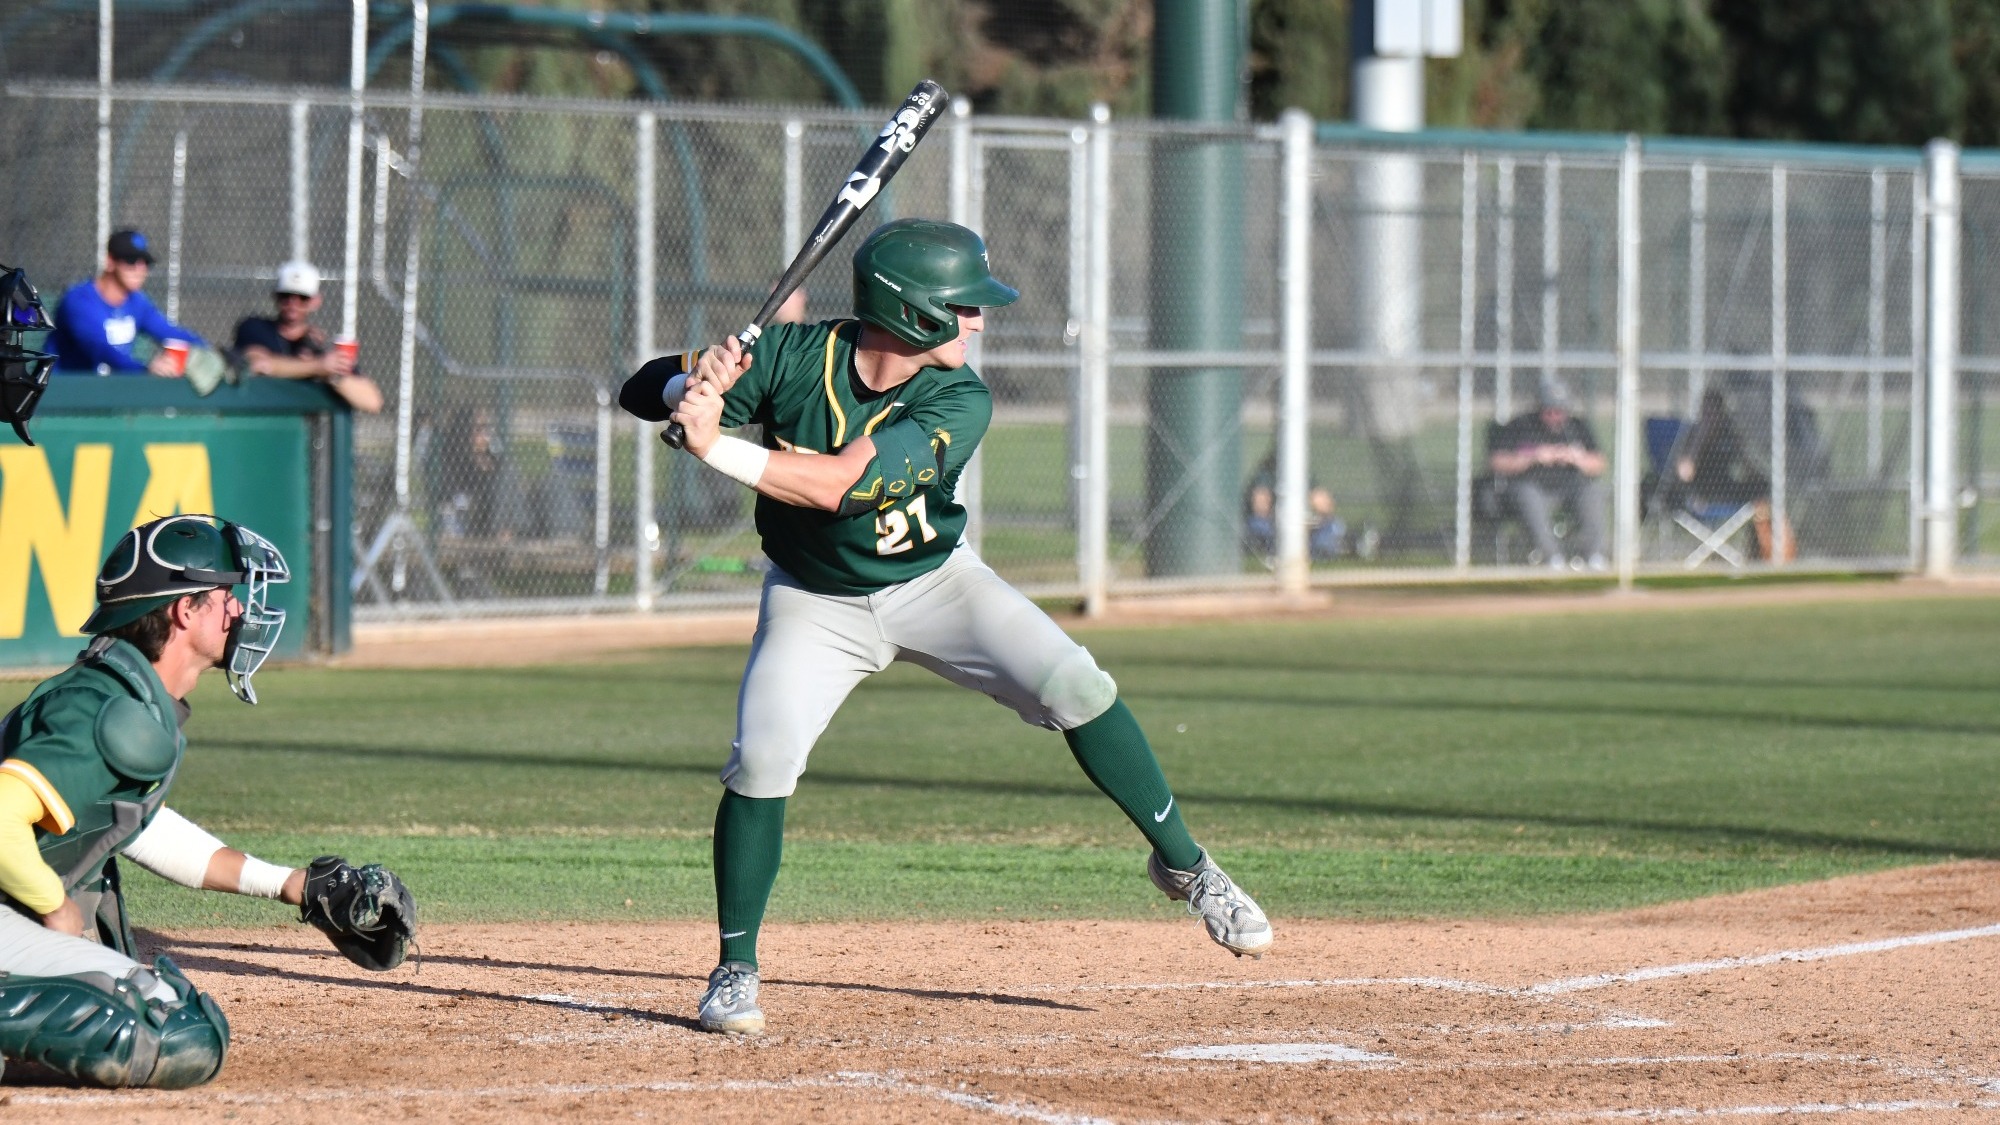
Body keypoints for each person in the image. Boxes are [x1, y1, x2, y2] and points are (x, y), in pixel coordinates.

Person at [621, 219, 1272, 1037]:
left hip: (935, 582)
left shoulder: (959, 396)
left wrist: (714, 446)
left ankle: (1186, 865)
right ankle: (734, 967)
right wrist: (693, 387)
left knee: (1076, 682)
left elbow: (838, 488)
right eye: (964, 306)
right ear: (913, 310)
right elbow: (638, 386)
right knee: (763, 757)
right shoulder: (791, 356)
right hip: (814, 598)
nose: (979, 321)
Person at [0, 515, 416, 1088]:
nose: (239, 610)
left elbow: (133, 827)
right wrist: (52, 905)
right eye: (226, 596)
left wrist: (293, 885)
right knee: (173, 1027)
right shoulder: (113, 713)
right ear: (183, 611)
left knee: (161, 1013)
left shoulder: (117, 696)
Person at [49, 230, 208, 377]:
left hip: (106, 393)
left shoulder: (137, 302)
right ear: (110, 262)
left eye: (145, 262)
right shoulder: (79, 301)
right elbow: (100, 348)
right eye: (131, 260)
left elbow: (169, 333)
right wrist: (145, 370)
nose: (140, 269)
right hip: (65, 392)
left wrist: (210, 351)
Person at [233, 260, 384, 413]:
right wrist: (318, 366)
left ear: (315, 302)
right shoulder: (256, 328)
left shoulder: (320, 346)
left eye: (302, 298)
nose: (293, 303)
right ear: (276, 297)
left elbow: (372, 402)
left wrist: (331, 375)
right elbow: (259, 364)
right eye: (286, 296)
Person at [1488, 378, 1608, 570]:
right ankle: (1552, 558)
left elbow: (1599, 464)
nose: (1554, 415)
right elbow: (1497, 462)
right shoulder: (1521, 425)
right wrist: (1534, 457)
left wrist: (1576, 458)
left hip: (1570, 488)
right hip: (1533, 488)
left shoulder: (1576, 426)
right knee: (1527, 495)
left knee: (1592, 491)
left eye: (1559, 411)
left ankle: (1594, 556)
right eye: (1549, 410)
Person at [1673, 387, 1792, 562]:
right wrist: (1700, 440)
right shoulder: (1693, 434)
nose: (1710, 418)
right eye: (1706, 413)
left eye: (1714, 413)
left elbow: (1747, 466)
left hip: (1725, 488)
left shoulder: (1728, 434)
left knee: (1761, 489)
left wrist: (1739, 446)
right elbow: (1685, 473)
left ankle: (1768, 550)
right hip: (1702, 493)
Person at [1243, 452, 1346, 560]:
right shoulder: (1266, 475)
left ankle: (1319, 552)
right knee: (1258, 525)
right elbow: (1260, 507)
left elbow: (1324, 505)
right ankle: (1276, 553)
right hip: (1274, 525)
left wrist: (1309, 520)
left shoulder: (1303, 476)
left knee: (1334, 526)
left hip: (1305, 526)